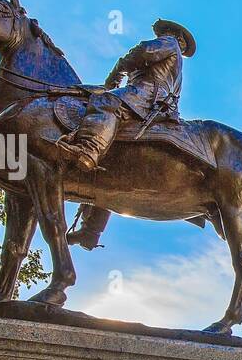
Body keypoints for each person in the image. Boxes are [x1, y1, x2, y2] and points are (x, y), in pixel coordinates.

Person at [58, 18, 196, 249]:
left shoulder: (169, 44)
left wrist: (116, 72)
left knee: (105, 101)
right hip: (157, 100)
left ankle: (88, 150)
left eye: (168, 34)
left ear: (175, 36)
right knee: (111, 164)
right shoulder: (176, 58)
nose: (166, 37)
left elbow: (142, 52)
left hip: (146, 96)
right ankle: (90, 231)